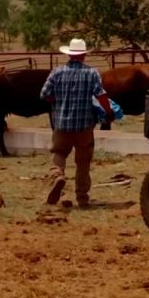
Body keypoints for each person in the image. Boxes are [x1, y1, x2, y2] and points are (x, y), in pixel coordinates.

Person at [40, 38, 113, 208]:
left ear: (69, 54)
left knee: (59, 152)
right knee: (83, 162)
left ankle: (58, 175)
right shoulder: (92, 73)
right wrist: (108, 112)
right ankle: (82, 197)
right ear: (84, 55)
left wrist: (58, 101)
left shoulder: (57, 72)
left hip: (61, 124)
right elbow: (101, 95)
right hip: (84, 126)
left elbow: (44, 94)